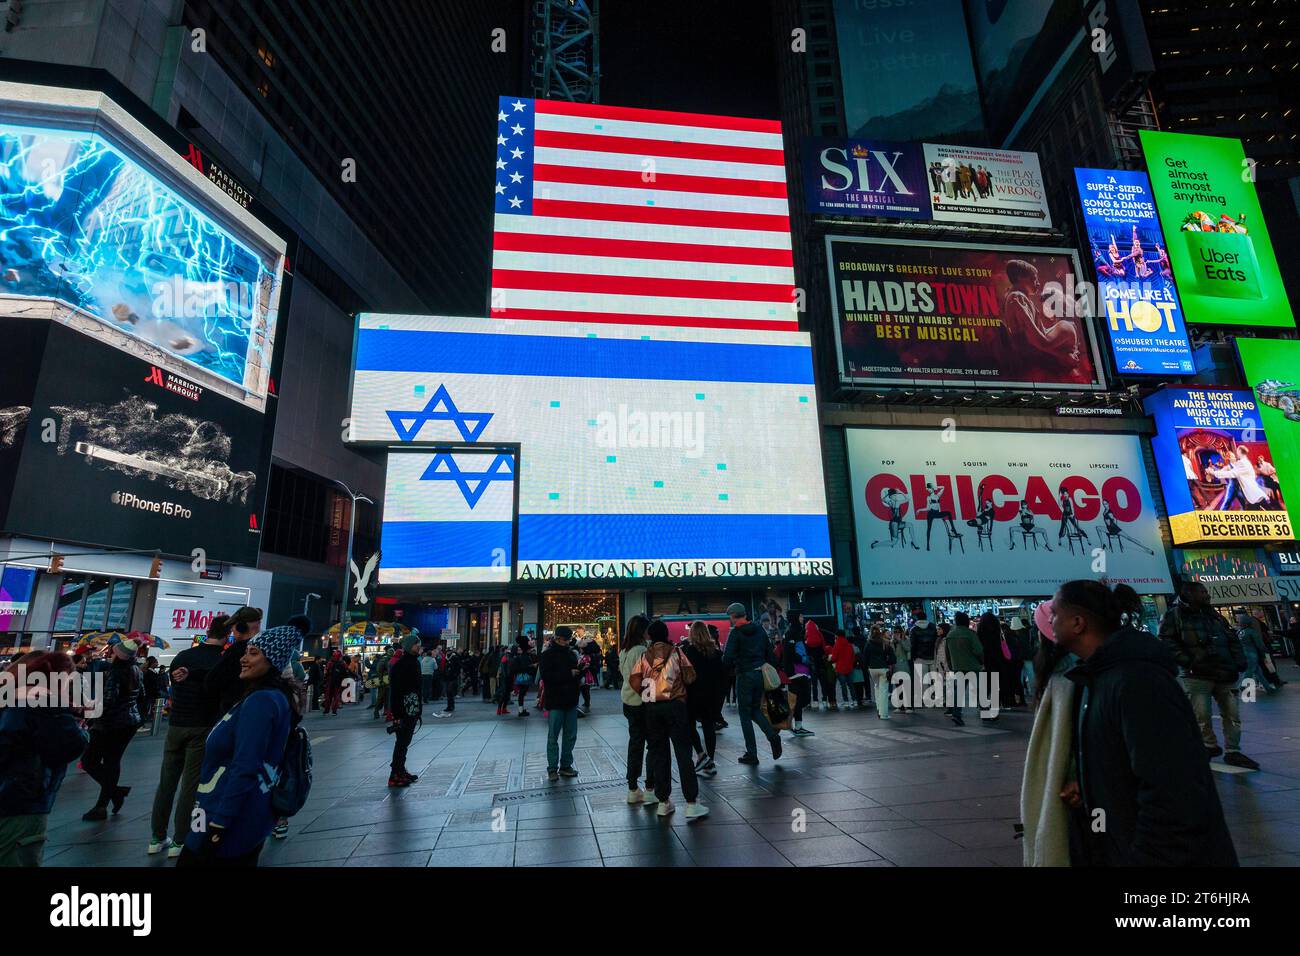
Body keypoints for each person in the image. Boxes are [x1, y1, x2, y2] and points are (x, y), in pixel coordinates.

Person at [1053, 580, 1238, 866]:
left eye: (1055, 613)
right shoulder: (1096, 678)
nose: (1049, 620)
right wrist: (1089, 783)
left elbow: (1174, 790)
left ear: (1078, 623)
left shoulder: (1137, 681)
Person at [177, 626, 303, 867]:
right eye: (246, 652)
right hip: (226, 811)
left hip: (228, 817)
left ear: (273, 660)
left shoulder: (262, 701)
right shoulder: (268, 697)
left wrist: (220, 824)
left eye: (253, 653)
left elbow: (246, 766)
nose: (243, 659)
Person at [149, 614, 232, 858]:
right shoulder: (221, 661)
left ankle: (156, 836)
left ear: (208, 630)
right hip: (202, 726)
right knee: (191, 785)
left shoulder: (183, 656)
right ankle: (180, 839)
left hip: (176, 725)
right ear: (227, 635)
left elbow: (175, 686)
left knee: (167, 781)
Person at [1158, 580, 1259, 769]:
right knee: (1202, 714)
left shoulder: (1214, 616)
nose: (1207, 595)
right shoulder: (1174, 615)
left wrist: (1238, 662)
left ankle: (1232, 750)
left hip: (1223, 671)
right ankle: (1209, 745)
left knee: (1232, 713)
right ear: (1189, 594)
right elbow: (1166, 640)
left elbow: (1231, 639)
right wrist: (1189, 662)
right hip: (1196, 674)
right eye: (1202, 592)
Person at [0, 652, 88, 866]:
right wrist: (65, 716)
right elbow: (69, 745)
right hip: (20, 802)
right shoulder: (42, 704)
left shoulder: (10, 697)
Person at [629, 620, 708, 820]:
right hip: (676, 706)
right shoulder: (677, 652)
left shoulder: (643, 656)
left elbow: (634, 681)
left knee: (658, 753)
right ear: (665, 634)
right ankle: (691, 803)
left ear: (650, 636)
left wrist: (648, 692)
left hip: (651, 708)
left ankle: (663, 802)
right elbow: (691, 677)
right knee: (683, 753)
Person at [81, 638, 144, 821]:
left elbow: (108, 700)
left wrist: (92, 712)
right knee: (112, 761)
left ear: (119, 655)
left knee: (89, 761)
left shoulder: (116, 672)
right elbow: (142, 695)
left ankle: (113, 795)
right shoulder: (136, 671)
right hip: (129, 722)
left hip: (109, 724)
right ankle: (105, 802)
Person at [722, 602, 782, 766]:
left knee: (744, 714)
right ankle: (772, 736)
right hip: (760, 674)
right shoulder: (759, 629)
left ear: (734, 616)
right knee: (754, 709)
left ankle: (752, 753)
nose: (730, 620)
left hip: (745, 675)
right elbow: (769, 652)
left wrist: (727, 669)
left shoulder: (736, 633)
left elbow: (727, 658)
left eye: (730, 617)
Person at [618, 615, 657, 804]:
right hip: (642, 703)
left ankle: (632, 787)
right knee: (653, 744)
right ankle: (650, 787)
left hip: (628, 701)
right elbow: (647, 678)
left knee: (635, 744)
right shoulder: (642, 650)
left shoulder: (625, 650)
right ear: (643, 630)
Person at [202, 606, 264, 719]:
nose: (232, 631)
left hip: (234, 712)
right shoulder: (267, 648)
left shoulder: (237, 649)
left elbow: (212, 682)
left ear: (241, 627)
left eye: (233, 626)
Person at [539, 626, 582, 781]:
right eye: (565, 640)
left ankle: (565, 765)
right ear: (557, 638)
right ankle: (552, 767)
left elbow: (574, 673)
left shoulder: (571, 654)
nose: (567, 642)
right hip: (556, 700)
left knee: (570, 735)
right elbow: (547, 677)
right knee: (554, 736)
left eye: (568, 640)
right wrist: (569, 674)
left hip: (570, 699)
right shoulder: (547, 655)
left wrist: (580, 671)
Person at [682, 621, 725, 770]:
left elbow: (686, 674)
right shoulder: (717, 652)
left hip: (694, 694)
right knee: (708, 726)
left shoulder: (690, 651)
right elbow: (722, 675)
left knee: (689, 725)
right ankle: (710, 760)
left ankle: (701, 754)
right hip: (712, 696)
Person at [387, 634, 423, 787]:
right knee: (401, 743)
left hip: (411, 708)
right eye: (416, 644)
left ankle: (400, 770)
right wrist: (396, 713)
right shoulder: (403, 664)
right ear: (409, 646)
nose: (418, 647)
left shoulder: (413, 662)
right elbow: (396, 690)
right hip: (404, 709)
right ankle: (395, 774)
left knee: (404, 742)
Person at [944, 612, 983, 726]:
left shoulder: (950, 634)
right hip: (973, 666)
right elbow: (978, 650)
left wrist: (951, 665)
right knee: (980, 689)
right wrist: (982, 662)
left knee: (958, 691)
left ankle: (957, 714)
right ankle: (986, 712)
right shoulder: (970, 634)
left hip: (957, 667)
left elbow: (948, 653)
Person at [777, 620, 814, 735]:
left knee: (800, 699)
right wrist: (802, 659)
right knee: (802, 698)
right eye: (800, 616)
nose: (802, 619)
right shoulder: (791, 634)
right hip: (797, 672)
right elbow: (790, 653)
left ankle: (796, 724)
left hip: (801, 672)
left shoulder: (796, 633)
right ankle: (795, 722)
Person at [862, 626, 895, 720]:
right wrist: (887, 662)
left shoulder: (868, 643)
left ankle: (878, 709)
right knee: (884, 691)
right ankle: (883, 714)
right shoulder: (885, 643)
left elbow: (865, 658)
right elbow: (893, 657)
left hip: (872, 669)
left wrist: (867, 667)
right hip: (883, 668)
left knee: (876, 687)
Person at [507, 635, 536, 716]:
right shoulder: (525, 657)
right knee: (522, 694)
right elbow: (525, 667)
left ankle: (521, 709)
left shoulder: (520, 656)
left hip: (520, 677)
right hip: (524, 677)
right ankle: (521, 711)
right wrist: (532, 666)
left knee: (521, 694)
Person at [829, 628, 858, 710]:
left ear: (837, 635)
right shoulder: (849, 644)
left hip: (840, 668)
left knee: (843, 685)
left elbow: (834, 657)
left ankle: (846, 702)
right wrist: (851, 664)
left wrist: (830, 658)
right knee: (851, 685)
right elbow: (853, 656)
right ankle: (854, 700)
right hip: (849, 667)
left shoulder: (837, 644)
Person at [322, 650, 348, 715]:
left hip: (330, 681)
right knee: (336, 696)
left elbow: (326, 672)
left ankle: (326, 710)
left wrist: (325, 679)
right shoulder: (342, 663)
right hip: (338, 682)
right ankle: (334, 711)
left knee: (328, 696)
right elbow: (345, 673)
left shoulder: (330, 663)